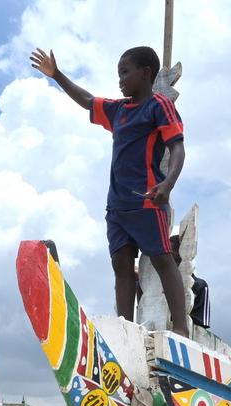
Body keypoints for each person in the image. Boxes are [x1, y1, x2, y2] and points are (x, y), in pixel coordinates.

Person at [30, 46, 190, 336]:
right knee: (121, 264)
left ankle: (181, 327)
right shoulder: (118, 110)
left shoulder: (158, 105)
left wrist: (167, 185)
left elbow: (176, 147)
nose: (120, 79)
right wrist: (56, 75)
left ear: (146, 73)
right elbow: (88, 100)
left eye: (125, 72)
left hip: (147, 200)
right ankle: (126, 329)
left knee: (162, 258)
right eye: (118, 74)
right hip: (117, 205)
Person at [170, 234, 209, 329]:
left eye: (170, 253)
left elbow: (201, 323)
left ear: (181, 254)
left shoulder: (200, 285)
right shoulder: (160, 283)